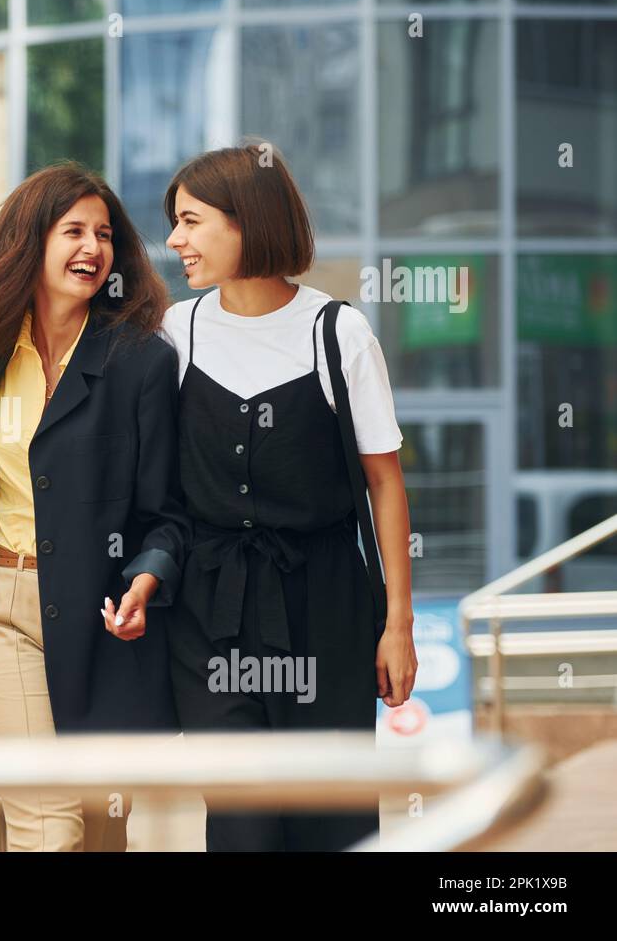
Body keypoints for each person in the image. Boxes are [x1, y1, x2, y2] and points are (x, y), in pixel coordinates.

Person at [159, 143, 419, 851]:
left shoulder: (339, 333)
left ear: (247, 219)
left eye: (190, 220)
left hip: (327, 609)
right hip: (211, 617)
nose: (175, 240)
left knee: (330, 822)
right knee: (242, 826)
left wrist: (399, 623)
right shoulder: (174, 332)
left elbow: (385, 483)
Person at [0, 162, 187, 851]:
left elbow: (166, 512)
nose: (92, 248)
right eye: (72, 230)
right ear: (31, 241)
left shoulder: (142, 361)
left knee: (103, 830)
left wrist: (146, 577)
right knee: (46, 826)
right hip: (3, 609)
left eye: (104, 234)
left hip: (106, 620)